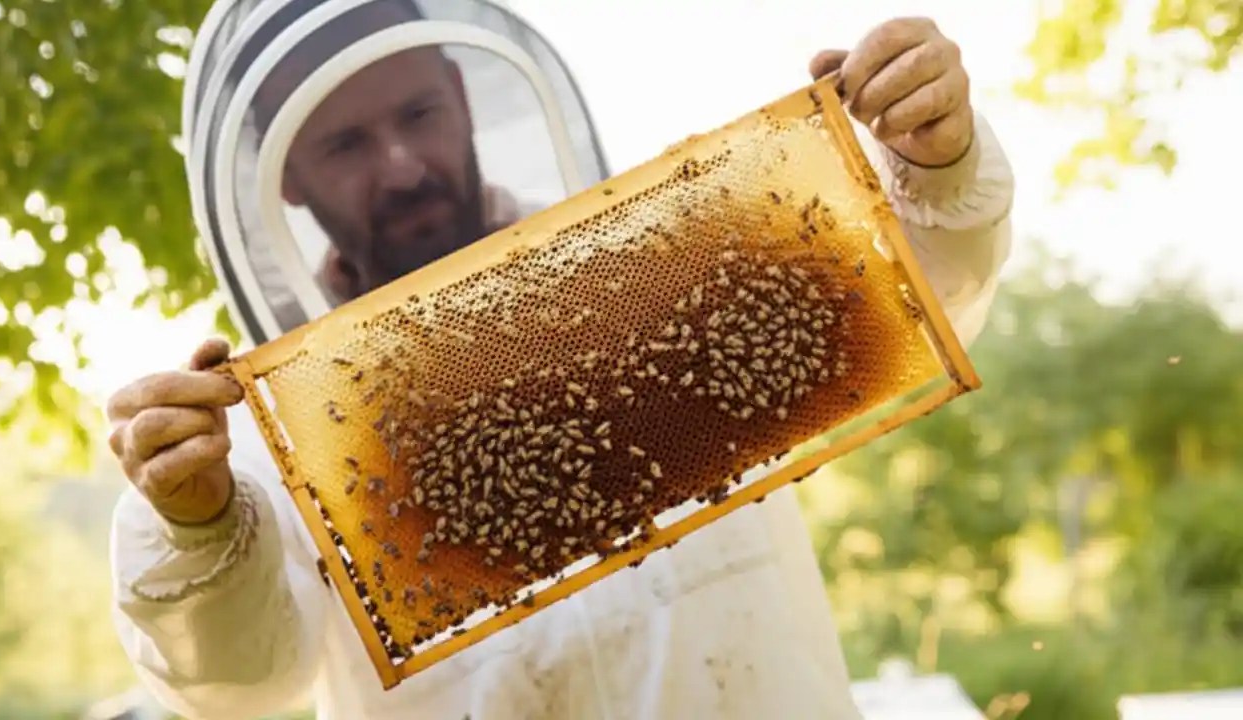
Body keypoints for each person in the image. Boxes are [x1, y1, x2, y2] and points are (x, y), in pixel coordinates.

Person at [106, 7, 1013, 719]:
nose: (402, 166)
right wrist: (197, 531)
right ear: (285, 175)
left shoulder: (665, 277)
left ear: (462, 97)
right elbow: (236, 685)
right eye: (344, 144)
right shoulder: (272, 438)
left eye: (418, 113)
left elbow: (908, 296)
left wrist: (933, 161)